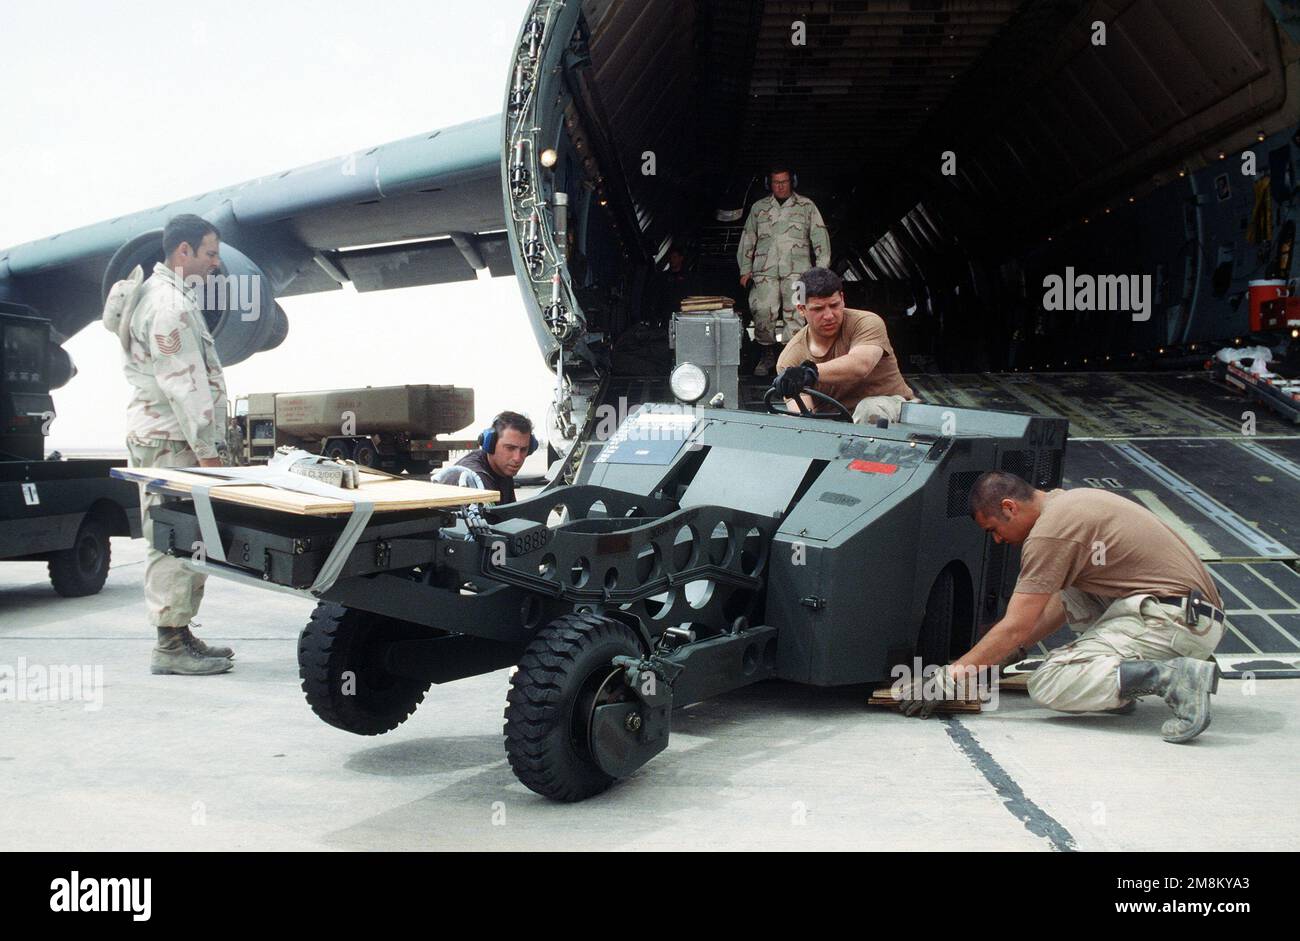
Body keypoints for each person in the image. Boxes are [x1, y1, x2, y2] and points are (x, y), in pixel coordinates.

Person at [898, 472, 1225, 743]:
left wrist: (950, 678)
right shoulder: (1067, 505)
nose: (997, 541)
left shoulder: (1050, 534)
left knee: (1049, 681)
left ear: (1009, 507)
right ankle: (1121, 684)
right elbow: (1053, 606)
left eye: (993, 530)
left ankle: (1172, 676)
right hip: (1191, 618)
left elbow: (1016, 626)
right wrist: (1006, 653)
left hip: (1171, 621)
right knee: (1069, 586)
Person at [122, 214, 233, 675]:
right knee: (173, 539)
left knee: (187, 537)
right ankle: (169, 645)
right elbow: (184, 385)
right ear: (182, 252)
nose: (214, 265)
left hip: (171, 439)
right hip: (174, 443)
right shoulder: (170, 305)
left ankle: (180, 632)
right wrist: (209, 453)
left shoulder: (165, 297)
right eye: (209, 254)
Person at [771, 268, 917, 422]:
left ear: (842, 298)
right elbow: (803, 414)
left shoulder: (866, 322)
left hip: (897, 414)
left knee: (870, 409)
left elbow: (861, 365)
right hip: (839, 428)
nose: (829, 316)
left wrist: (809, 372)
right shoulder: (790, 359)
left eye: (834, 305)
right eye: (818, 309)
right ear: (801, 309)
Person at [736, 164, 830, 376]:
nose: (780, 186)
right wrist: (745, 270)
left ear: (792, 182)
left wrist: (820, 271)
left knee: (796, 316)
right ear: (770, 184)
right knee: (762, 313)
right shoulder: (759, 208)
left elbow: (820, 238)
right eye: (776, 182)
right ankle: (767, 355)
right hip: (764, 273)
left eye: (784, 182)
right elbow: (748, 238)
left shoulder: (806, 206)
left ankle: (790, 358)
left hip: (798, 273)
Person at [451, 411, 535, 505]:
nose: (517, 458)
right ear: (491, 444)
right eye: (510, 448)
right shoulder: (477, 479)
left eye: (523, 449)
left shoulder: (503, 470)